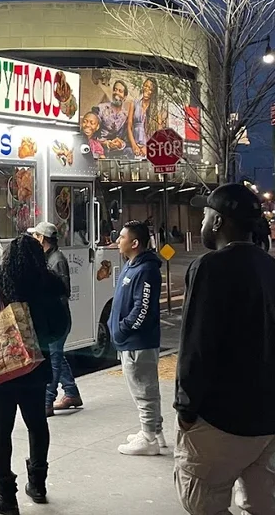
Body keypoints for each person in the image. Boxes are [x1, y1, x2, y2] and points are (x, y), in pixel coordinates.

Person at [174, 184, 275, 514]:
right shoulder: (269, 266)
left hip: (222, 419)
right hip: (267, 419)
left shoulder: (210, 267)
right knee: (262, 504)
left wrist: (186, 410)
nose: (201, 222)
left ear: (218, 222)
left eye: (205, 215)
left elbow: (196, 344)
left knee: (203, 501)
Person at [0, 235, 68, 514]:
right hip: (36, 369)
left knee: (0, 432)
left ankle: (6, 498)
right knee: (37, 426)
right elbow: (61, 327)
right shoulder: (49, 288)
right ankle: (38, 485)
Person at [110, 221, 165, 456]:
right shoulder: (132, 265)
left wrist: (123, 329)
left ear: (135, 243)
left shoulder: (146, 270)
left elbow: (142, 308)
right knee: (142, 389)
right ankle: (153, 430)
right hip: (130, 342)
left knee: (144, 391)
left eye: (122, 237)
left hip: (137, 342)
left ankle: (149, 439)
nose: (117, 241)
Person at [27, 223, 83, 416]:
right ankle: (72, 393)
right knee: (57, 356)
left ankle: (47, 402)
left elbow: (62, 292)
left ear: (42, 238)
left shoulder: (56, 260)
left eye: (36, 235)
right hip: (54, 320)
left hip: (56, 321)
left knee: (53, 360)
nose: (34, 238)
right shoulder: (48, 258)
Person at [95, 80, 132, 158]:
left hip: (115, 152)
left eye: (120, 91)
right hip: (99, 147)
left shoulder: (125, 116)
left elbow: (124, 139)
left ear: (125, 97)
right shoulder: (101, 108)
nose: (116, 93)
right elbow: (92, 131)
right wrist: (105, 143)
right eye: (115, 90)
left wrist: (120, 144)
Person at [127, 77, 161, 156]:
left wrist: (148, 147)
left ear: (153, 92)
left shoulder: (156, 109)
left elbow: (159, 133)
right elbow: (129, 126)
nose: (147, 90)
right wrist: (134, 145)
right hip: (135, 144)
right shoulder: (134, 103)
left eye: (150, 89)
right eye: (145, 86)